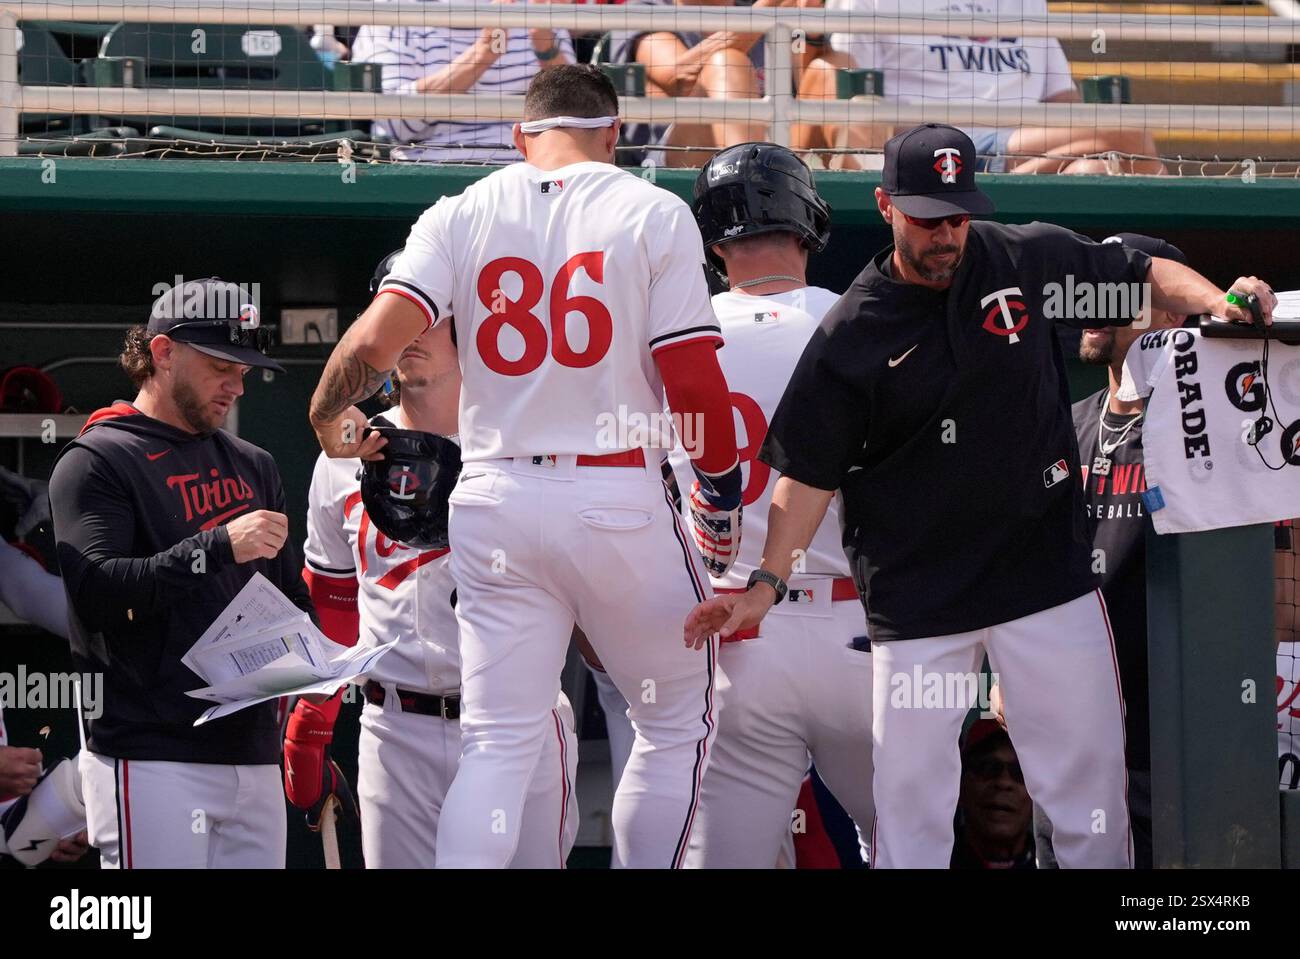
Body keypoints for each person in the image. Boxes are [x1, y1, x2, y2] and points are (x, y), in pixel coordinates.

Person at [684, 123, 1277, 868]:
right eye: (927, 217)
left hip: (1043, 577)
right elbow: (807, 472)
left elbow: (1138, 273)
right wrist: (765, 584)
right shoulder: (854, 329)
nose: (945, 234)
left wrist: (1216, 300)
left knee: (1087, 799)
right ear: (886, 206)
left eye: (957, 214)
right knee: (912, 814)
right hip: (919, 596)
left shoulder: (1020, 258)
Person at [308, 65, 743, 868]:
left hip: (494, 491)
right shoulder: (651, 207)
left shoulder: (460, 208)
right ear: (614, 134)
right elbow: (691, 382)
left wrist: (323, 413)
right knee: (676, 719)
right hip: (616, 488)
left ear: (520, 136)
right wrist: (719, 496)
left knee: (498, 744)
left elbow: (373, 344)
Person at [287, 252, 579, 867]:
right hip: (394, 725)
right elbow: (334, 602)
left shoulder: (526, 442)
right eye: (394, 317)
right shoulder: (342, 455)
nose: (410, 335)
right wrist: (312, 719)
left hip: (512, 719)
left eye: (431, 317)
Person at [49, 279, 309, 869]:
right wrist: (216, 546)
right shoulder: (99, 457)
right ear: (163, 353)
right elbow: (96, 593)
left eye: (244, 370)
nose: (236, 385)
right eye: (222, 366)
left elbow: (289, 595)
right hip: (152, 752)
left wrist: (313, 664)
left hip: (251, 749)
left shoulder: (255, 464)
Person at [676, 142, 874, 868]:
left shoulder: (676, 335)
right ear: (807, 226)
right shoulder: (856, 320)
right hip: (861, 624)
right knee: (904, 839)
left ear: (715, 240)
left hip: (731, 634)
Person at [1070, 232, 1190, 868]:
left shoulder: (1200, 428)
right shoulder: (1066, 422)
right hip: (1070, 713)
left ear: (1171, 314)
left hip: (1171, 719)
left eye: (1118, 288)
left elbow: (1278, 585)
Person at [826, 0, 1162, 174]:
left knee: (1097, 168)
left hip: (1020, 140)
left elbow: (1063, 101)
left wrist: (1084, 141)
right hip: (929, 144)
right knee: (1127, 133)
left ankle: (989, 178)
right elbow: (854, 102)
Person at [352, 0, 575, 163]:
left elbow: (576, 114)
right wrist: (482, 55)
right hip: (435, 168)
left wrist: (546, 49)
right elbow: (395, 123)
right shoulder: (391, 14)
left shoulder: (536, 7)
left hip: (533, 168)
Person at [951, 718, 1035, 869]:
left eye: (1020, 772)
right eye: (988, 768)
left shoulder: (1060, 863)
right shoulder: (929, 860)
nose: (1004, 782)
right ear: (960, 784)